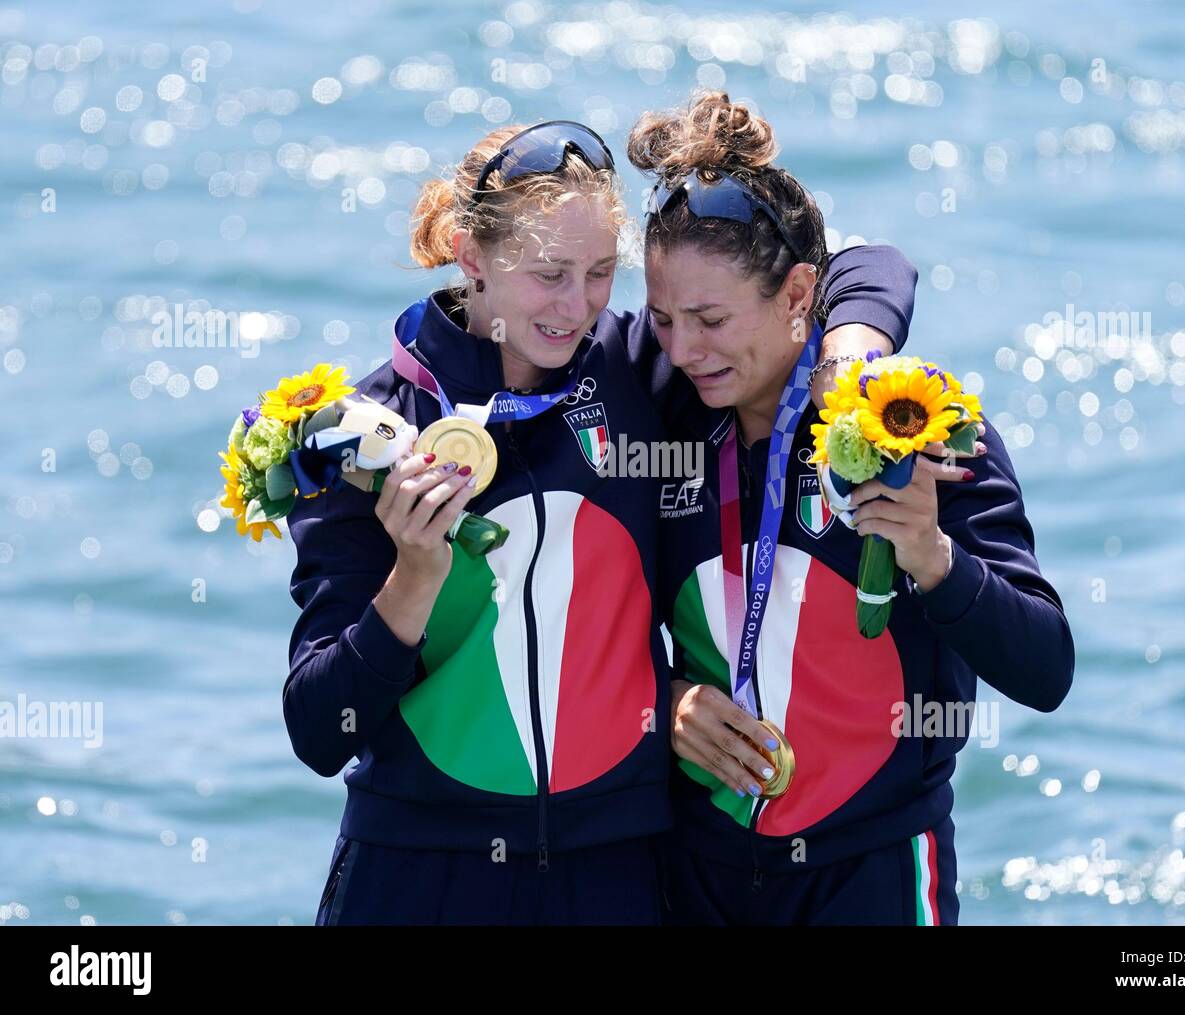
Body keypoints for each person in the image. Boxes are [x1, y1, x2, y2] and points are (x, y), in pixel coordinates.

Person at [282, 117, 922, 924]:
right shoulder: (372, 436)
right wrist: (411, 580)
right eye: (550, 274)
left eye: (597, 275)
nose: (577, 306)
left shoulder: (635, 372)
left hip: (614, 871)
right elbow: (318, 727)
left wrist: (852, 349)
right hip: (420, 870)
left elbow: (870, 264)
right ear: (470, 256)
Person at [630, 92, 1075, 925]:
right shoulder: (659, 400)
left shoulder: (911, 423)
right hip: (693, 871)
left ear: (801, 291)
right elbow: (581, 621)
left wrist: (935, 559)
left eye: (711, 319)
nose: (684, 348)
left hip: (869, 873)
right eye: (661, 318)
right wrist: (669, 702)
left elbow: (1046, 667)